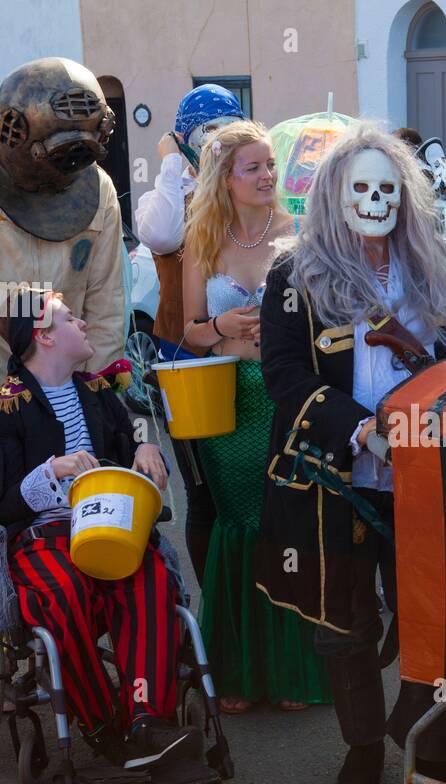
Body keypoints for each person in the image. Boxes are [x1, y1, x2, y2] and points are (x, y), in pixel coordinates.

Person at [256, 124, 446, 784]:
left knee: (436, 613)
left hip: (422, 474)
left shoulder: (430, 265)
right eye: (360, 188)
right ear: (335, 195)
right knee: (346, 620)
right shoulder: (293, 273)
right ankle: (363, 745)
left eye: (387, 189)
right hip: (334, 475)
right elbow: (280, 373)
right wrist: (359, 429)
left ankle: (435, 745)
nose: (374, 200)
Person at [0, 287, 217, 784]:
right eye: (68, 318)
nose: (81, 324)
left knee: (149, 579)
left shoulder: (98, 393)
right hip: (44, 534)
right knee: (62, 594)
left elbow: (133, 436)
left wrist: (148, 452)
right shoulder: (6, 406)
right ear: (43, 335)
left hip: (109, 523)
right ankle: (104, 724)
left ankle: (147, 719)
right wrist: (52, 469)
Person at [177, 120, 330, 715]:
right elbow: (187, 334)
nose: (268, 176)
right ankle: (236, 670)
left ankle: (294, 669)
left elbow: (327, 321)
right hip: (225, 400)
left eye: (271, 165)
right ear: (226, 178)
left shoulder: (300, 236)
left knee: (286, 521)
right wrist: (223, 327)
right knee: (237, 523)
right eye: (254, 168)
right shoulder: (203, 240)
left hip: (284, 394)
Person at [0, 57, 126, 441]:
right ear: (13, 131)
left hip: (70, 381)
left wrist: (102, 377)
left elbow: (106, 297)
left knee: (76, 490)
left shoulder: (97, 189)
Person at [133, 83, 245, 585]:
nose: (217, 141)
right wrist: (171, 160)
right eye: (208, 132)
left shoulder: (242, 187)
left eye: (226, 129)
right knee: (204, 487)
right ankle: (216, 597)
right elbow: (160, 234)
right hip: (185, 357)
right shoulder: (170, 195)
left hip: (245, 353)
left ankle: (247, 592)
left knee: (246, 478)